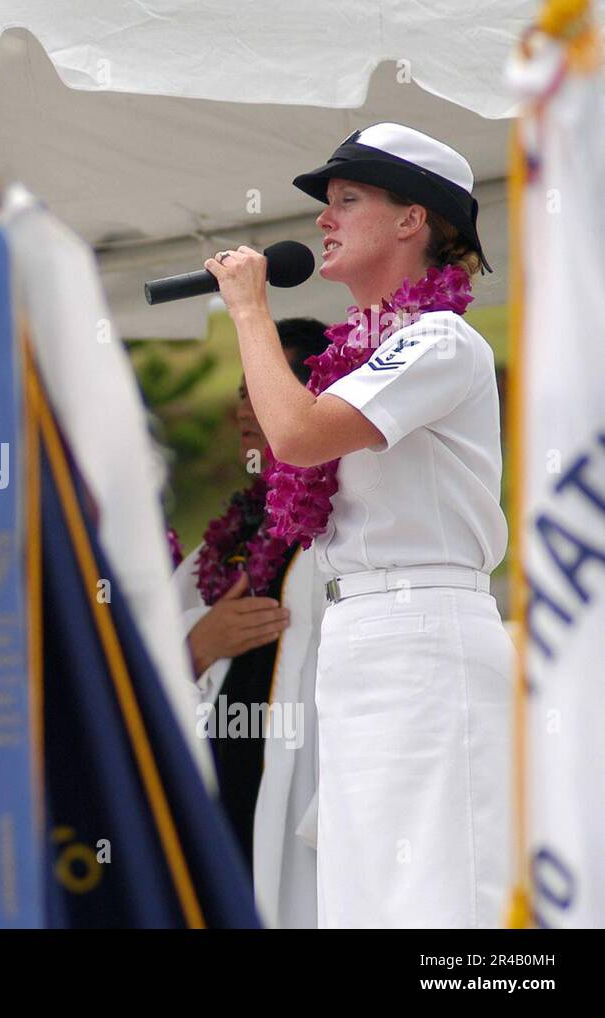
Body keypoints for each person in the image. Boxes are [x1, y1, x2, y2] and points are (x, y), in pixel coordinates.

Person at [204, 123, 510, 928]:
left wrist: (249, 313)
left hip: (424, 630)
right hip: (364, 632)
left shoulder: (439, 339)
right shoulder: (365, 351)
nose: (322, 221)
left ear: (413, 221)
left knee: (438, 894)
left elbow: (297, 436)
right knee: (363, 893)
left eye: (346, 200)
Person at [171, 317, 329, 929]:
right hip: (218, 808)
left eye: (265, 387)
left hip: (303, 808)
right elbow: (144, 674)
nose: (245, 408)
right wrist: (196, 649)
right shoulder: (220, 545)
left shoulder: (343, 535)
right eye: (241, 391)